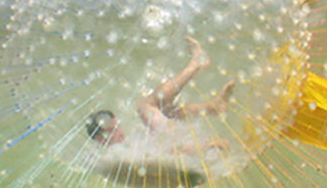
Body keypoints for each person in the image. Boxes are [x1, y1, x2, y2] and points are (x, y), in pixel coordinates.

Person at [87, 37, 234, 155]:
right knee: (143, 106)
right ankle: (196, 64)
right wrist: (209, 146)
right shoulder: (115, 153)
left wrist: (210, 146)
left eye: (117, 126)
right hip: (172, 142)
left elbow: (170, 150)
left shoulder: (123, 147)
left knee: (166, 110)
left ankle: (212, 108)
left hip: (172, 141)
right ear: (100, 139)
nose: (119, 131)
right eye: (112, 130)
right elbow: (171, 151)